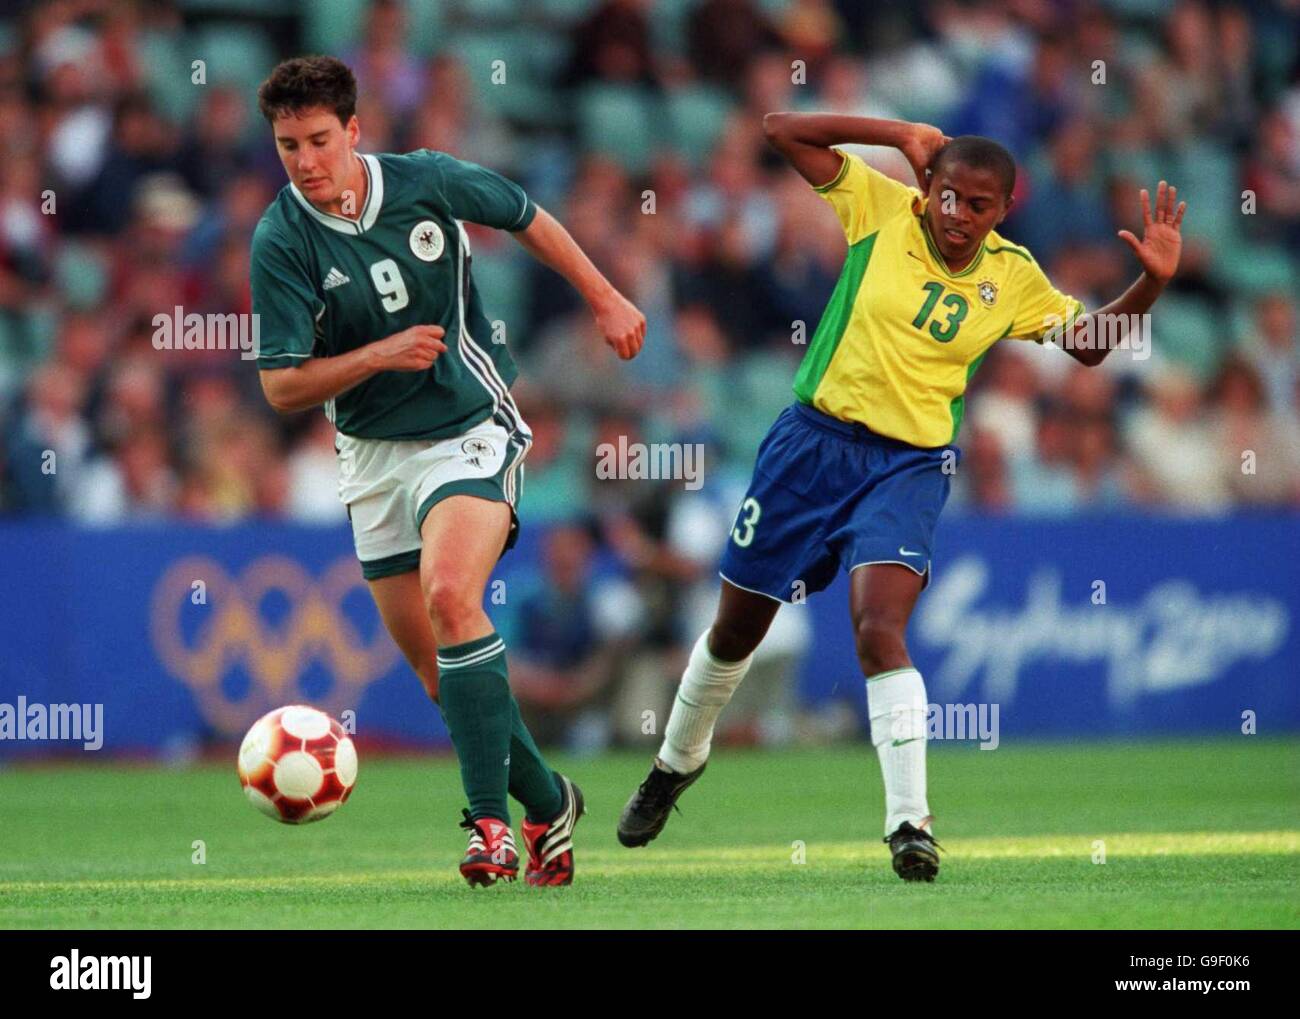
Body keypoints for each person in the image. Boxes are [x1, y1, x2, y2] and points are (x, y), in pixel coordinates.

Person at [617, 112, 1185, 881]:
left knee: (879, 626)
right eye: (948, 196)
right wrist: (899, 132)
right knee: (734, 630)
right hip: (810, 447)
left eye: (976, 205)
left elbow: (1086, 345)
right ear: (931, 187)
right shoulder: (885, 209)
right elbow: (782, 129)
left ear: (1003, 210)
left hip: (908, 465)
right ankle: (676, 762)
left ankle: (909, 824)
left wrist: (1148, 284)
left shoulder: (1013, 275)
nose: (955, 214)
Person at [249, 56, 645, 887]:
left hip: (469, 428)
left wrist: (604, 295)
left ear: (354, 131)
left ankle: (489, 829)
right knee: (440, 671)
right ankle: (549, 800)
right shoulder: (280, 238)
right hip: (370, 459)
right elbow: (282, 384)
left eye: (320, 140)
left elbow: (527, 215)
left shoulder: (424, 181)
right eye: (288, 146)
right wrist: (376, 356)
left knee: (452, 596)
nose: (307, 161)